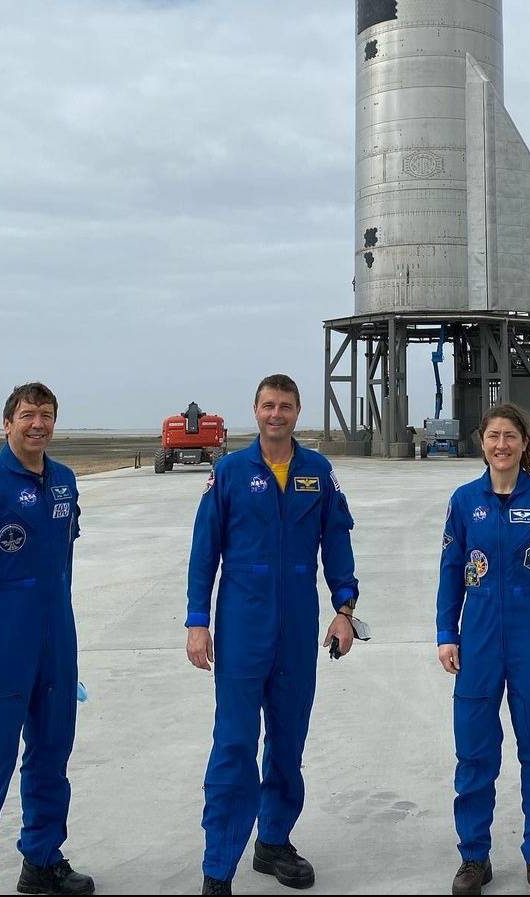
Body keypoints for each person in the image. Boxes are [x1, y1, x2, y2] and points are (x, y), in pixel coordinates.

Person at [186, 374, 359, 896]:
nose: (276, 414)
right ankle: (219, 865)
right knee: (234, 746)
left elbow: (338, 543)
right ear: (255, 411)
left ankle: (274, 841)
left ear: (297, 412)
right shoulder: (231, 472)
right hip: (242, 627)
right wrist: (198, 622)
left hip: (296, 629)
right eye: (267, 406)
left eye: (285, 406)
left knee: (287, 742)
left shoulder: (317, 473)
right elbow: (203, 554)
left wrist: (345, 609)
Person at [0, 382, 94, 897]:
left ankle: (42, 861)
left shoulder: (65, 482)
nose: (37, 425)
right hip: (1, 650)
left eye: (46, 415)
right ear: (7, 423)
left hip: (56, 647)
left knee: (52, 756)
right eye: (27, 415)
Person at [436, 402, 530, 897]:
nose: (502, 445)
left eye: (510, 436)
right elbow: (450, 574)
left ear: (525, 443)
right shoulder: (462, 502)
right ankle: (474, 857)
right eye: (493, 436)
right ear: (482, 443)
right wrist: (445, 633)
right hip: (476, 640)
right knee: (474, 753)